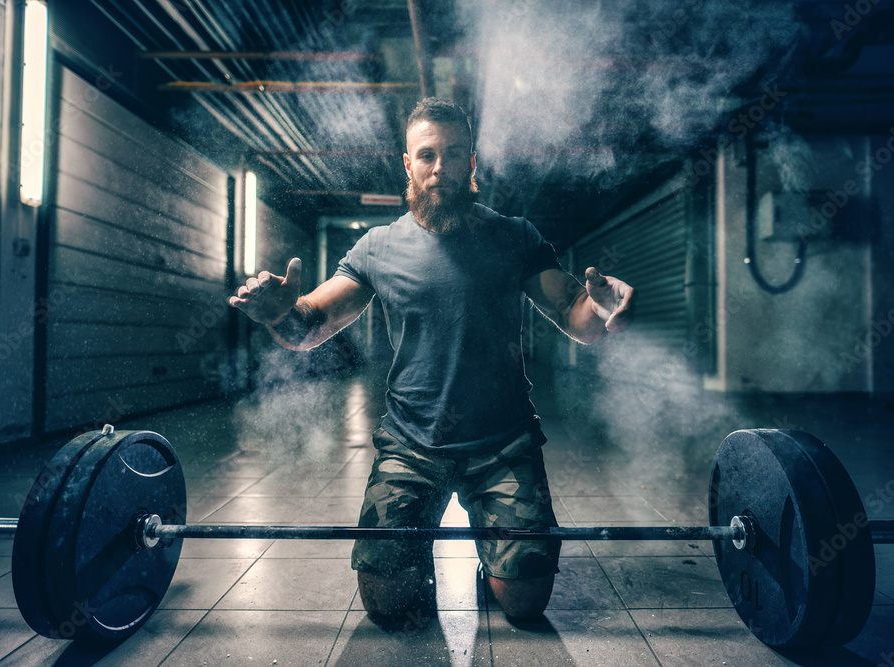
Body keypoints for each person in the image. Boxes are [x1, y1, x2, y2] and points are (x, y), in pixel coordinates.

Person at [229, 98, 633, 628]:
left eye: (454, 153)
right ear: (408, 164)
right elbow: (309, 328)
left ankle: (496, 563)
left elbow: (573, 314)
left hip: (503, 443)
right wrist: (279, 314)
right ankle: (414, 561)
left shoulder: (515, 236)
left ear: (472, 162)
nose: (440, 167)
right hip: (412, 444)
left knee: (525, 603)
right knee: (386, 601)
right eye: (427, 155)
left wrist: (602, 308)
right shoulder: (377, 248)